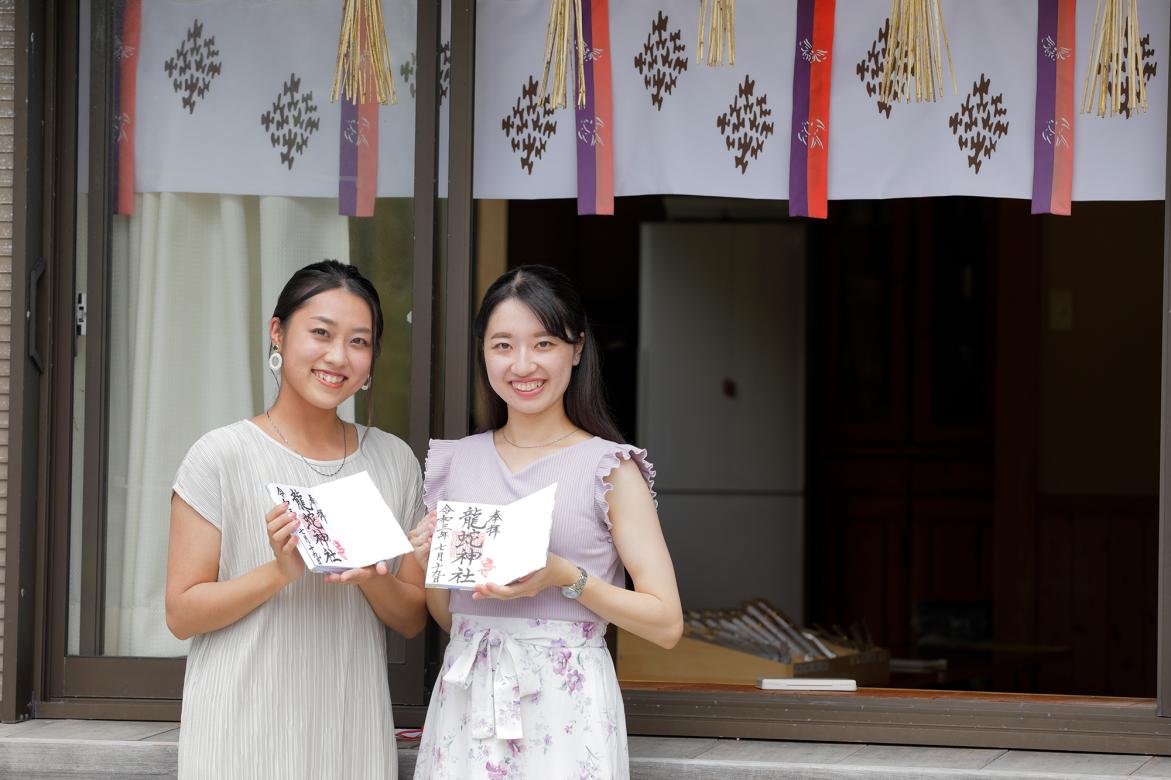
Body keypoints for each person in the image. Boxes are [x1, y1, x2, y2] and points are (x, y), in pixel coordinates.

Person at [410, 264, 683, 779]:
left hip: (566, 710)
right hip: (466, 703)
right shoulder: (457, 463)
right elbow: (454, 617)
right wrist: (429, 562)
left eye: (543, 344)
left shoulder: (608, 468)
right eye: (502, 345)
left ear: (576, 349)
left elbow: (666, 623)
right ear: (483, 353)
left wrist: (566, 577)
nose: (522, 364)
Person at [165, 260, 427, 779]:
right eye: (321, 334)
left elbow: (412, 617)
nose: (338, 357)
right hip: (239, 728)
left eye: (359, 341)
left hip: (348, 726)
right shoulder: (221, 455)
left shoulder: (394, 461)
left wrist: (374, 577)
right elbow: (182, 613)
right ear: (278, 333)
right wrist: (279, 573)